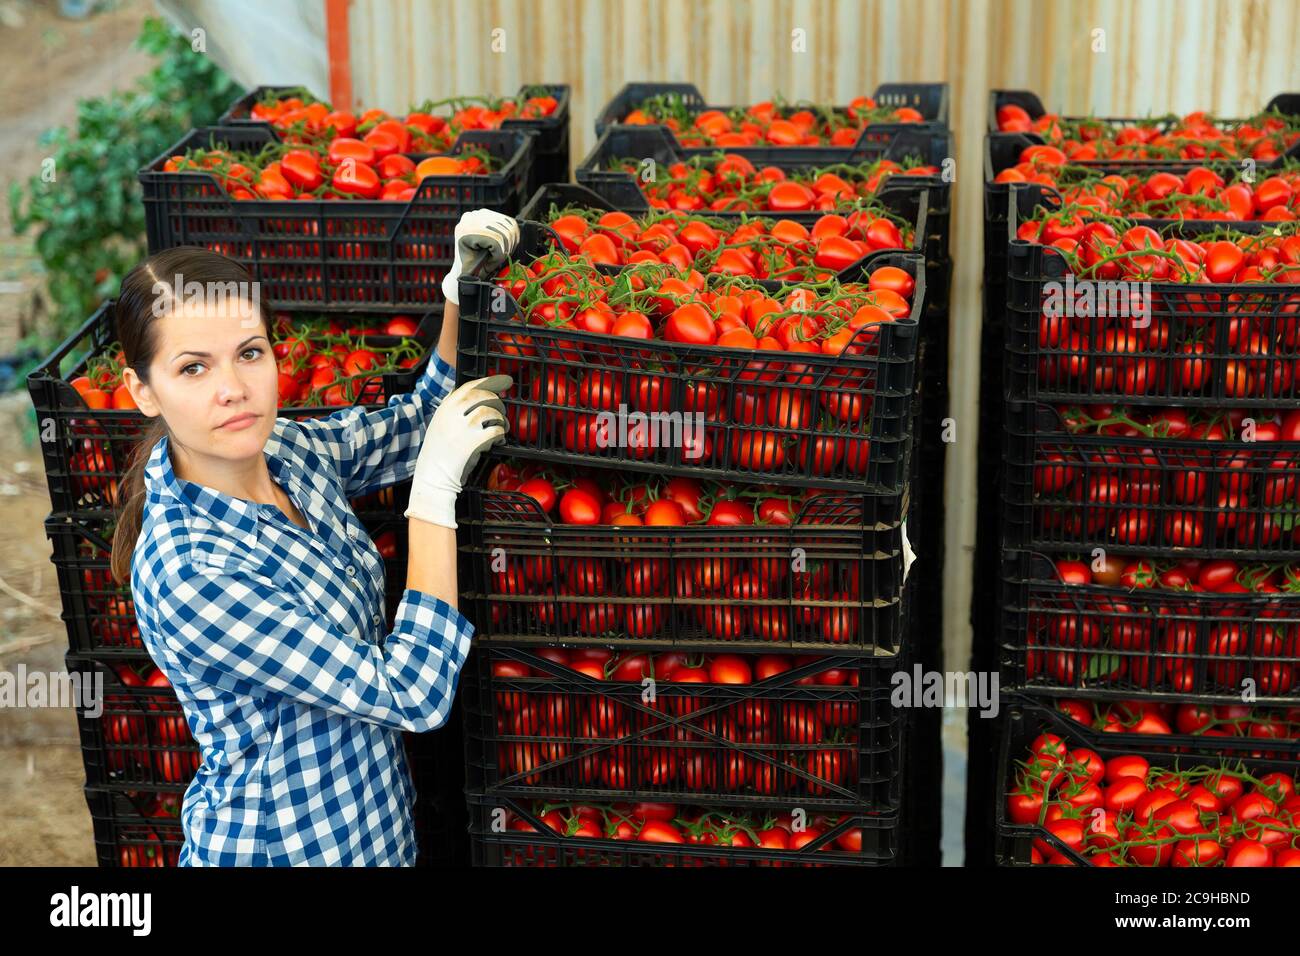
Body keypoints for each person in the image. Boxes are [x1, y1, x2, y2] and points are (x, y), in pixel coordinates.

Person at [108, 210, 520, 865]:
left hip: (372, 836)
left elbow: (415, 425)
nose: (232, 389)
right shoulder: (192, 573)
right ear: (142, 391)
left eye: (249, 353)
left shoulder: (287, 449)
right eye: (193, 369)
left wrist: (456, 294)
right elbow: (410, 692)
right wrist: (434, 495)